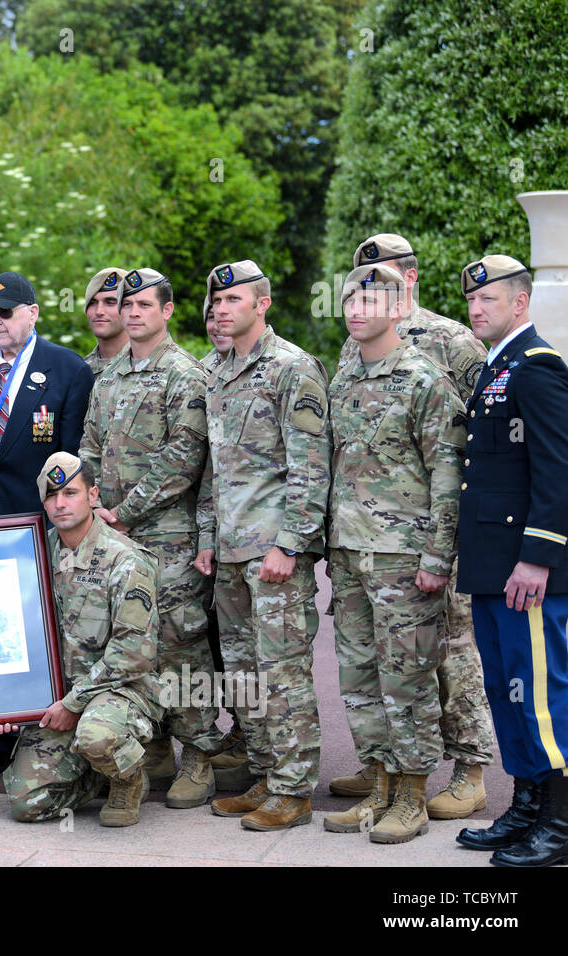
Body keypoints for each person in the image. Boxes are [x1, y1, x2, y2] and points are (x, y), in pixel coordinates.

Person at [329, 233, 496, 821]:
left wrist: (442, 549)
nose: (360, 301)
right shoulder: (349, 362)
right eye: (356, 285)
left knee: (442, 658)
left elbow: (472, 446)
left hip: (420, 542)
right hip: (357, 543)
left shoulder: (450, 346)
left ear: (408, 282)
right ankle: (385, 778)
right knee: (371, 668)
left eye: (381, 281)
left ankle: (463, 772)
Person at [193, 259, 330, 832]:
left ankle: (295, 790)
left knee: (284, 673)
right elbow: (215, 469)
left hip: (273, 551)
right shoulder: (219, 372)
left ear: (262, 304)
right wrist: (206, 537)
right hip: (229, 550)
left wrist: (291, 545)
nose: (222, 309)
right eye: (216, 302)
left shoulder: (291, 368)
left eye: (234, 300)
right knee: (245, 675)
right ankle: (266, 777)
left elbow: (311, 467)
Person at [79, 267, 223, 808]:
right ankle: (156, 745)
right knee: (135, 641)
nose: (132, 313)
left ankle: (202, 754)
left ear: (166, 312)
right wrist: (91, 501)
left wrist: (124, 510)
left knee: (183, 645)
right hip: (115, 535)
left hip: (166, 536)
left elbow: (184, 458)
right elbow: (89, 445)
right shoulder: (110, 376)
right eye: (126, 305)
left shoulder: (184, 375)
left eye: (144, 306)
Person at [0, 270, 93, 779]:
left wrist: (65, 520)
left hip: (37, 523)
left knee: (39, 628)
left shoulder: (67, 370)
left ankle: (41, 733)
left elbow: (73, 457)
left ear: (32, 313)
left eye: (4, 312)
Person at [453, 255, 568, 867]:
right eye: (472, 300)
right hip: (492, 567)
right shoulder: (496, 368)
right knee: (507, 691)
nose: (476, 309)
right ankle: (528, 807)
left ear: (520, 304)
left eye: (489, 300)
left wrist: (538, 557)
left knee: (543, 696)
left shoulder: (538, 367)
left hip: (526, 572)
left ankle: (562, 823)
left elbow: (557, 468)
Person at [0, 453, 165, 826]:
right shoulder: (36, 553)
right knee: (28, 804)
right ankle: (95, 775)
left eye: (70, 493)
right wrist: (6, 703)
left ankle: (128, 778)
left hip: (122, 691)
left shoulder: (126, 560)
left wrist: (74, 703)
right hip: (61, 697)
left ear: (93, 496)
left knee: (96, 736)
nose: (60, 503)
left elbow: (133, 655)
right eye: (51, 495)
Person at [199, 293, 249, 788]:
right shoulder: (205, 373)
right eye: (211, 313)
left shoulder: (288, 366)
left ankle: (278, 769)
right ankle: (247, 742)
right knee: (228, 652)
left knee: (274, 662)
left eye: (228, 308)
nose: (219, 319)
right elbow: (209, 470)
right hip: (221, 538)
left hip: (265, 544)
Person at [80, 267, 129, 376]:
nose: (99, 311)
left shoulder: (159, 366)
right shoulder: (79, 370)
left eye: (110, 302)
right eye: (92, 303)